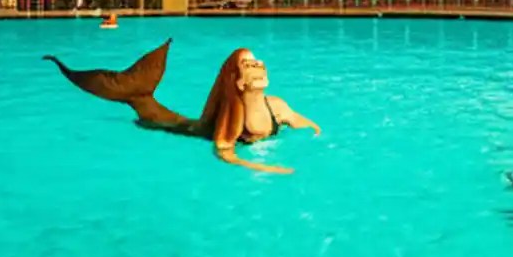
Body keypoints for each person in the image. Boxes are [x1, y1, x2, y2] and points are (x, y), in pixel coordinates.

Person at [42, 40, 318, 174]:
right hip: (185, 129)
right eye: (247, 64)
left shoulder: (276, 105)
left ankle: (137, 94)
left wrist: (315, 131)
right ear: (238, 82)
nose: (257, 64)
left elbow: (298, 120)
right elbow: (226, 153)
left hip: (261, 139)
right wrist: (266, 168)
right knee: (158, 119)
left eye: (257, 61)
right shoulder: (232, 118)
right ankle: (135, 95)